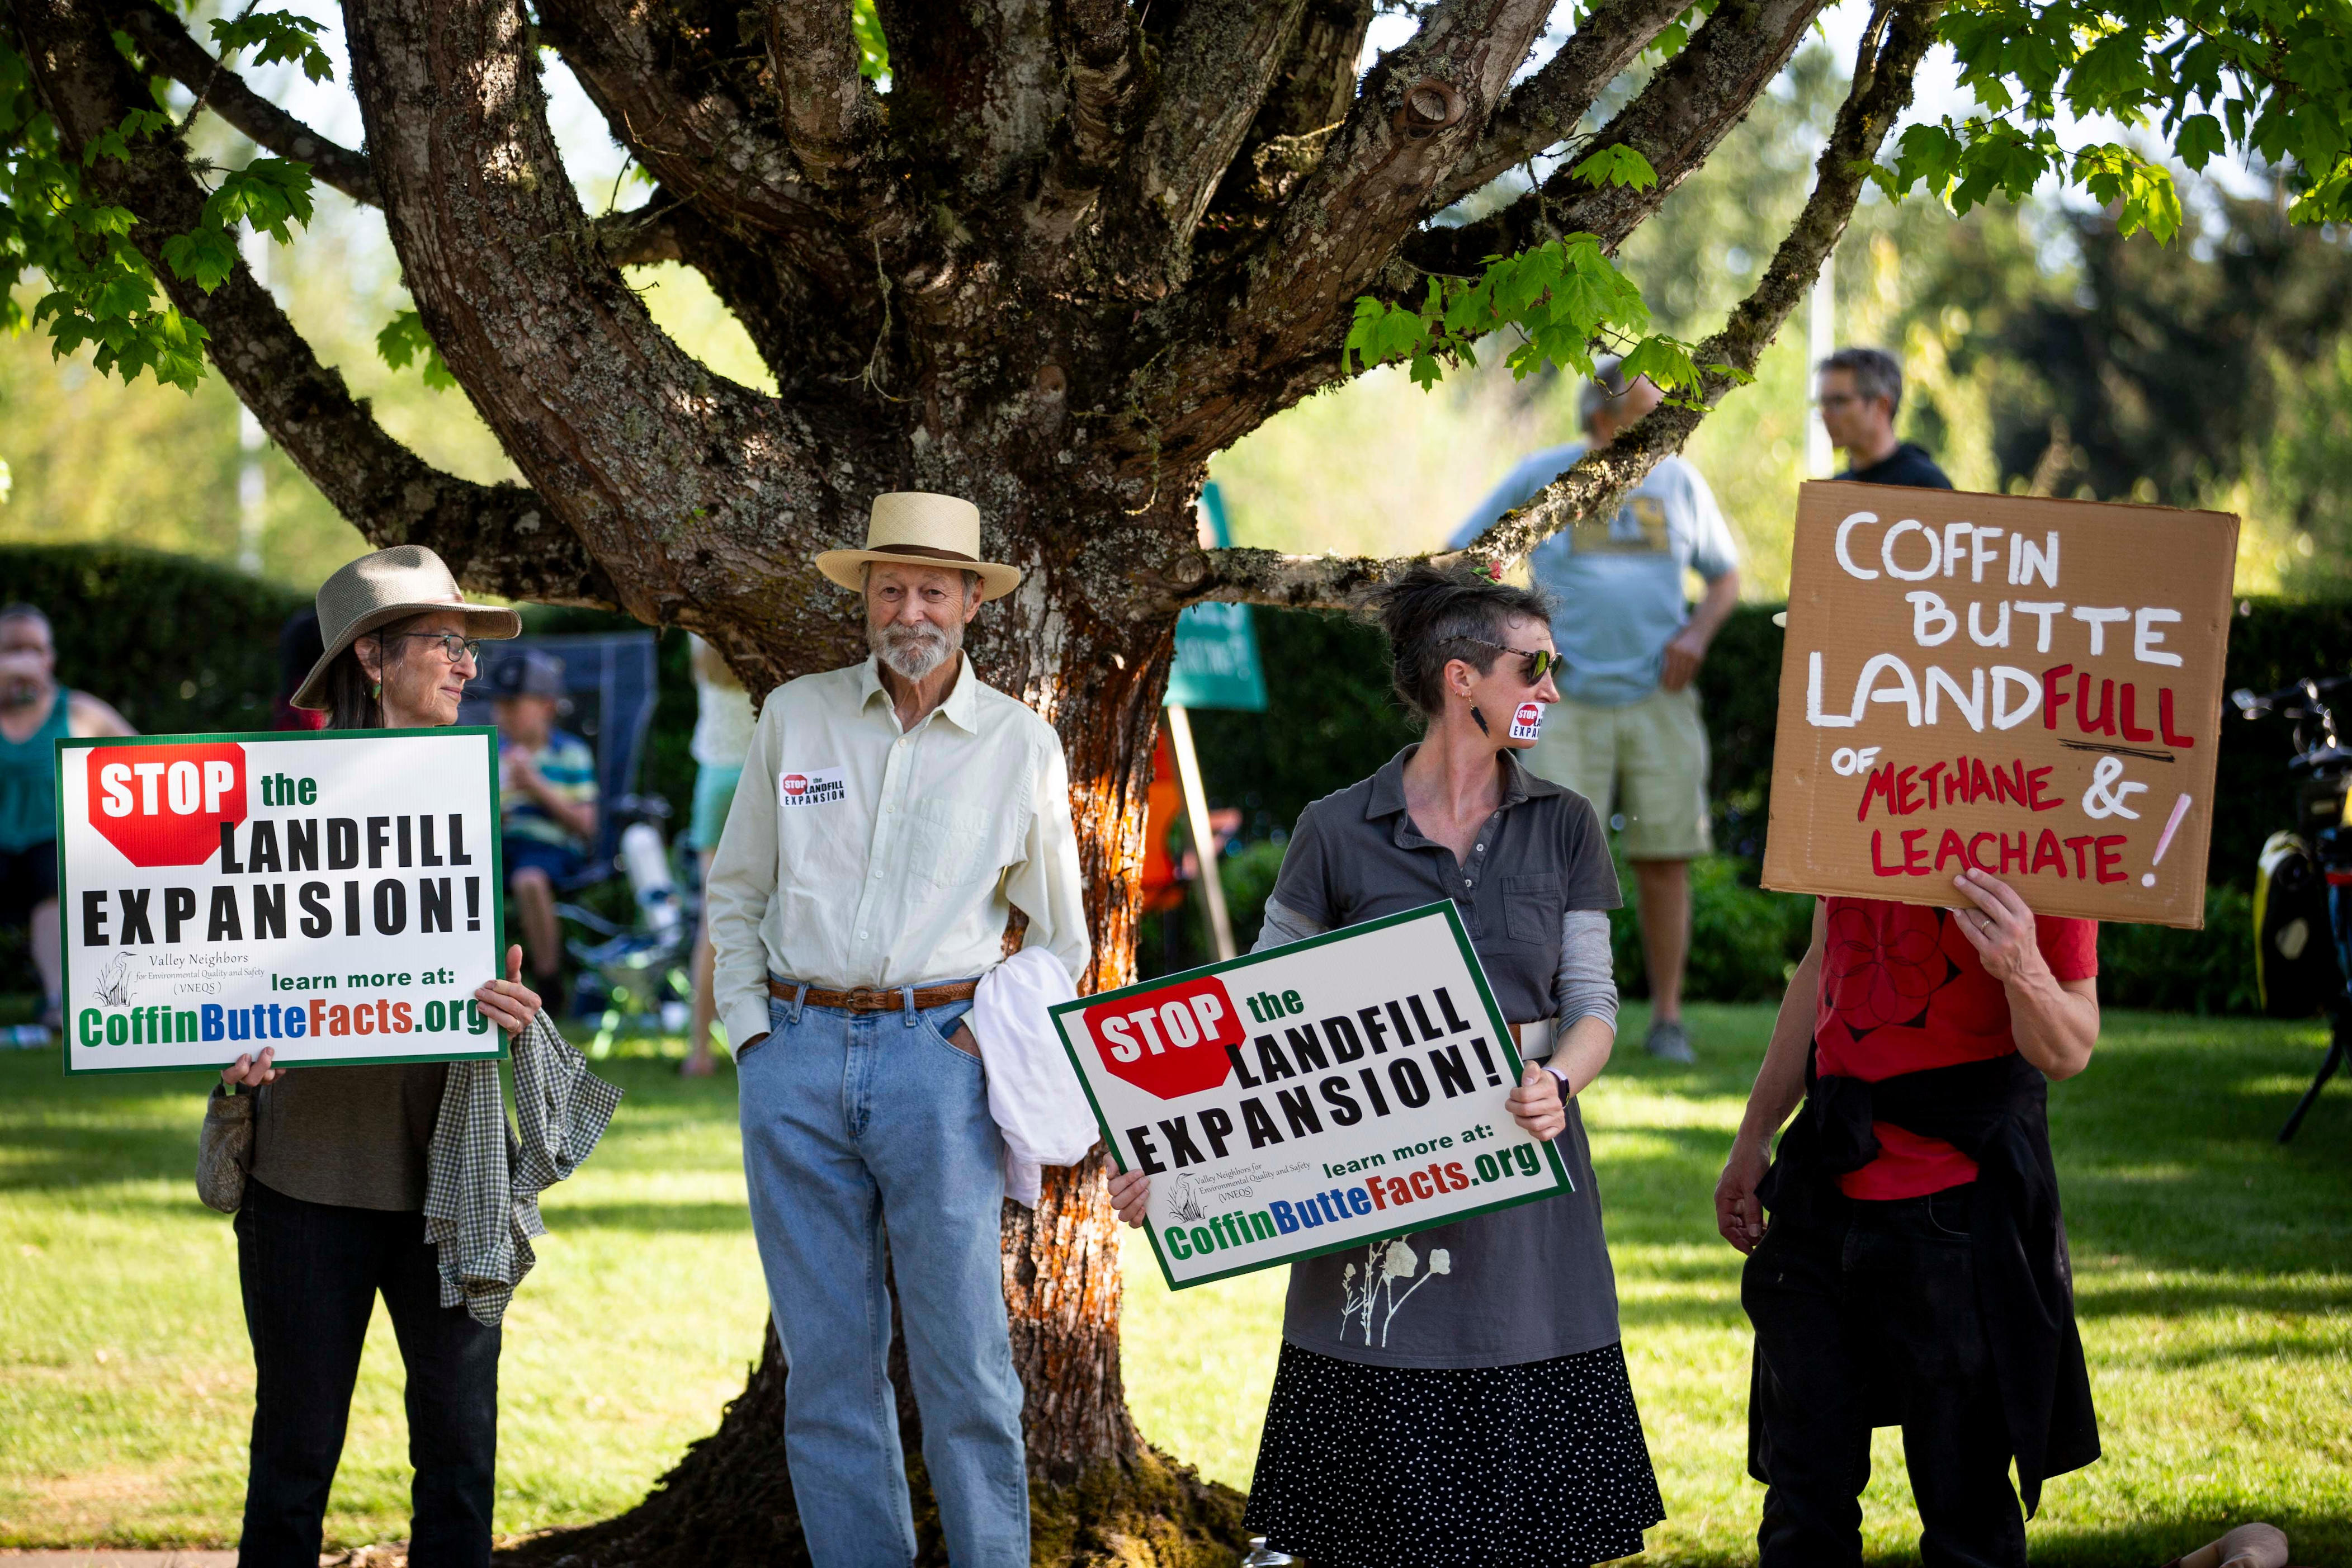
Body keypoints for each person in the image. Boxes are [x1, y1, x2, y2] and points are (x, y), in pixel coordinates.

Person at [1111, 564, 1665, 1567]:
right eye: (1530, 666)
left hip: (1528, 1172)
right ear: (1462, 678)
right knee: (1371, 1522)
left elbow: (1593, 1002)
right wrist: (1174, 1162)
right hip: (1373, 1182)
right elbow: (1253, 1019)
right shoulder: (1333, 825)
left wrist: (1564, 1080)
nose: (1549, 686)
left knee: (1528, 1523)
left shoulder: (1568, 822)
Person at [1714, 419, 2099, 1566]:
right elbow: (1819, 976)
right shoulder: (1855, 795)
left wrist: (2023, 961)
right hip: (1825, 1198)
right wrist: (1752, 1139)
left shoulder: (2042, 822)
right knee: (1804, 1500)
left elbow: (2071, 1044)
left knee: (1967, 1515)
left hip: (1954, 1218)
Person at [199, 545, 621, 1568]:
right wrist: (232, 1045)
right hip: (307, 1171)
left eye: (464, 643)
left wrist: (516, 1007)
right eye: (443, 640)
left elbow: (483, 968)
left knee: (460, 1455)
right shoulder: (272, 802)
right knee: (295, 1453)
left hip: (451, 1171)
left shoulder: (485, 791)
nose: (466, 661)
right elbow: (219, 968)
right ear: (374, 657)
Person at [705, 492, 1089, 1567]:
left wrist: (968, 1043)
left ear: (971, 602)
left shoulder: (1020, 743)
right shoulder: (798, 715)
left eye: (932, 587)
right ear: (865, 600)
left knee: (966, 1361)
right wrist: (754, 1037)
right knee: (828, 1365)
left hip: (940, 1063)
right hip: (796, 1054)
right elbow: (735, 890)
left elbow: (1061, 939)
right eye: (889, 588)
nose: (908, 607)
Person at [1451, 357, 1741, 1064]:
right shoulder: (1546, 475)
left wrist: (1697, 635)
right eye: (1648, 414)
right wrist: (1523, 649)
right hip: (1561, 702)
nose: (1665, 429)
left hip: (1660, 700)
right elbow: (1471, 556)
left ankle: (1667, 1018)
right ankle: (1541, 1019)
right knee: (1544, 862)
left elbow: (1727, 575)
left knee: (1665, 855)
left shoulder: (1678, 481)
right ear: (1602, 417)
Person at [0, 603, 134, 1037]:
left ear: (50, 658)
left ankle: (59, 1001)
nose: (23, 661)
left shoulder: (76, 711)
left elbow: (146, 760)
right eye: (12, 650)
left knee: (53, 880)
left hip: (55, 845)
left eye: (34, 649)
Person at [489, 650, 598, 994]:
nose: (505, 715)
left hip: (552, 846)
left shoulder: (570, 753)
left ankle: (549, 983)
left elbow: (585, 824)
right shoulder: (491, 753)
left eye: (515, 705)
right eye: (501, 705)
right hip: (501, 845)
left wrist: (536, 785)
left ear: (547, 707)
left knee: (529, 880)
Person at [680, 634, 753, 1078]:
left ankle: (699, 1053)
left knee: (713, 922)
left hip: (715, 781)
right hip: (762, 775)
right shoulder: (762, 622)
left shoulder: (696, 634)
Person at [1816, 346, 1953, 489]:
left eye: (1839, 402)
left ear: (1882, 406)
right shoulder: (1834, 490)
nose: (1825, 414)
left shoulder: (1927, 486)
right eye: (1824, 403)